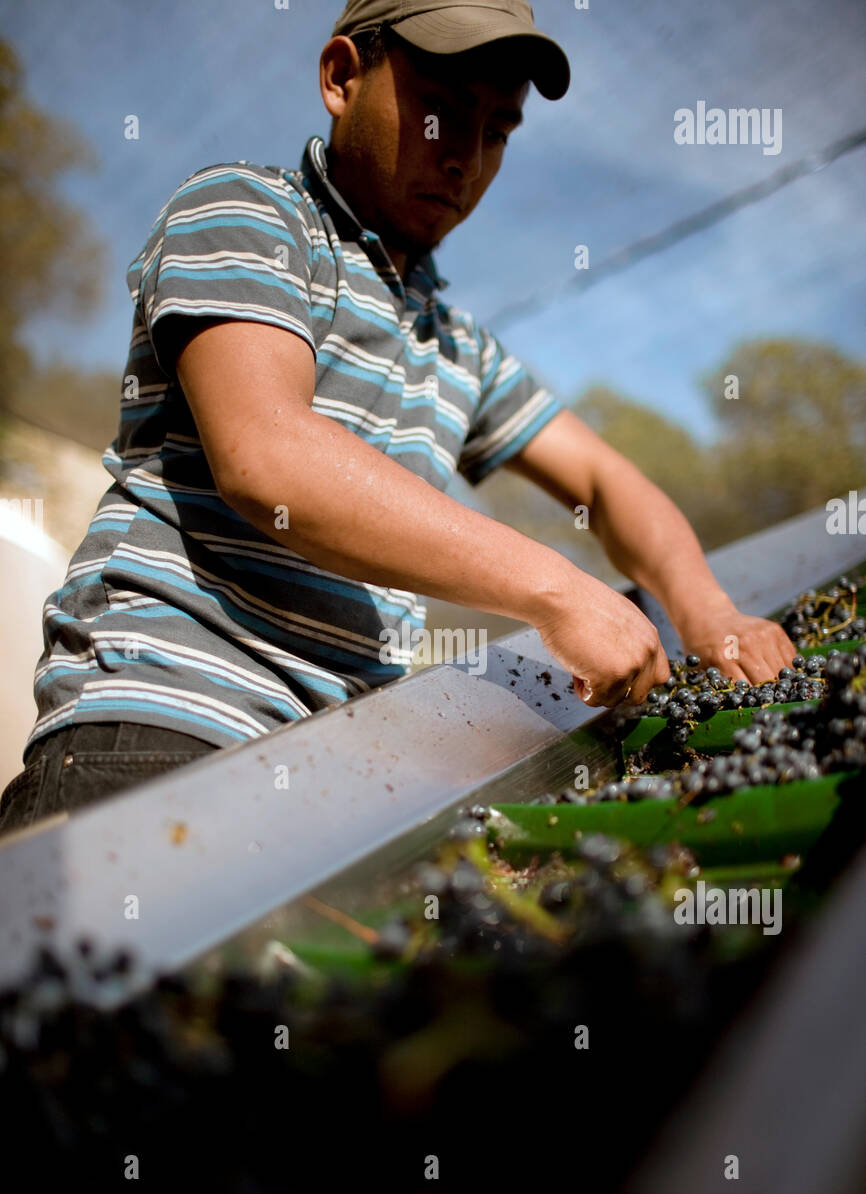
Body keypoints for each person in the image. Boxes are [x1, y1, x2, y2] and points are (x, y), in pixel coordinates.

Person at [0, 0, 795, 838]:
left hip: (343, 782)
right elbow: (267, 457)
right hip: (164, 736)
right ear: (342, 77)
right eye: (440, 108)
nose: (463, 157)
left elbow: (606, 480)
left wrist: (709, 611)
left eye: (497, 131)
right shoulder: (252, 216)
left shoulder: (458, 349)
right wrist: (560, 593)